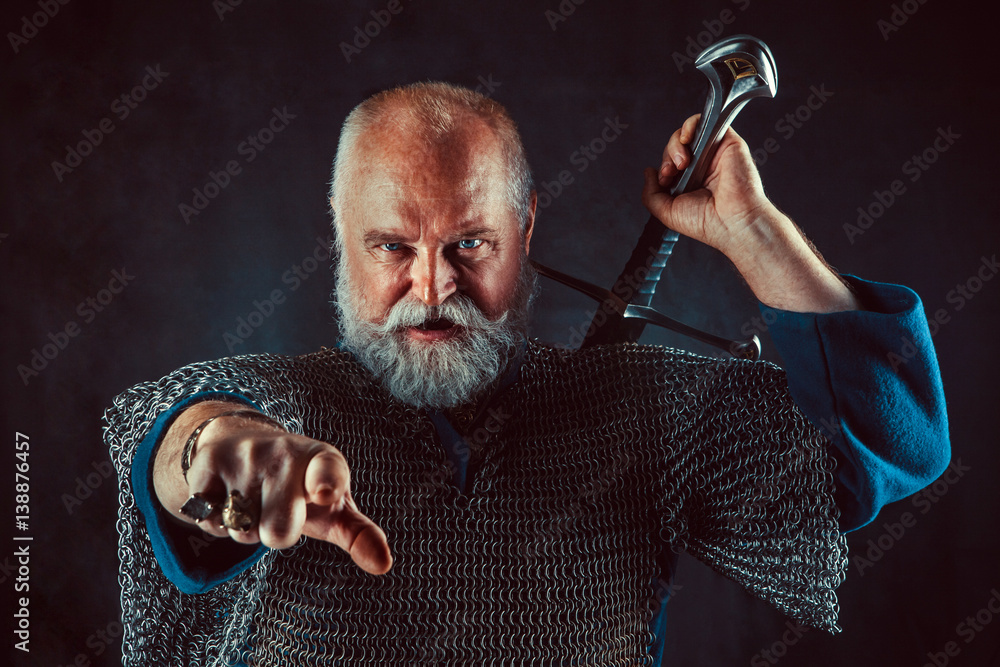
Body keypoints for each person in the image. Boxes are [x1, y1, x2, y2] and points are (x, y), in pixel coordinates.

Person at [104, 81, 949, 665]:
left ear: (527, 228)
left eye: (470, 243)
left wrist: (754, 233)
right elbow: (176, 435)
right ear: (339, 234)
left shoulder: (639, 415)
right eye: (392, 246)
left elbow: (888, 440)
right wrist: (211, 452)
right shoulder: (285, 407)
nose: (432, 287)